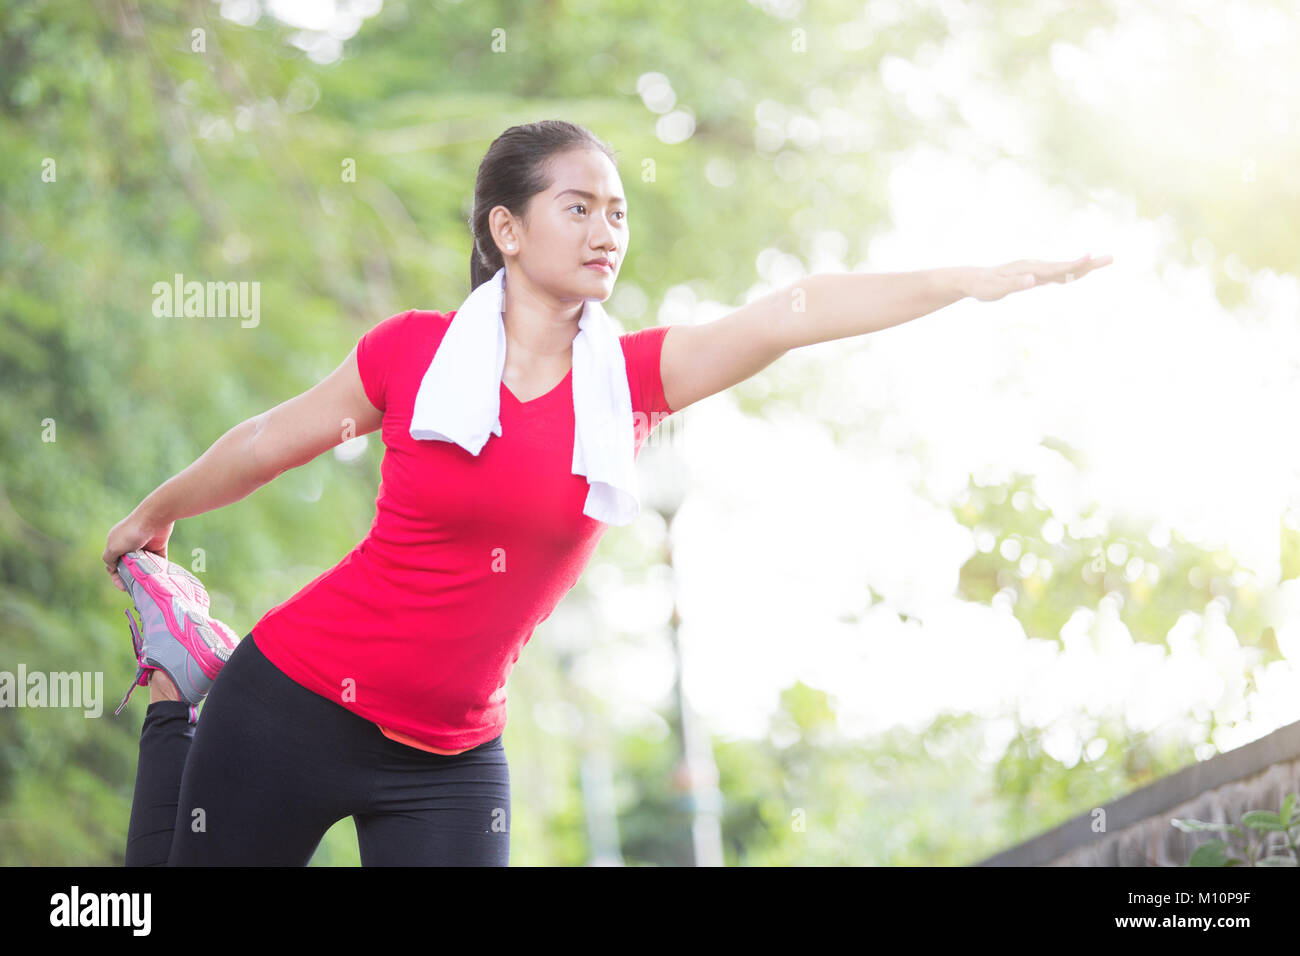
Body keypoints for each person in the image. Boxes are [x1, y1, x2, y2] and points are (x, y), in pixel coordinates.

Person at [103, 118, 1112, 866]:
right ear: (507, 228)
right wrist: (158, 512)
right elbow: (271, 440)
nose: (604, 229)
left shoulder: (630, 384)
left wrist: (970, 278)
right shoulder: (411, 356)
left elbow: (792, 313)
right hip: (296, 701)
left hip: (451, 757)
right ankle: (187, 702)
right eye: (576, 206)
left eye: (616, 211)